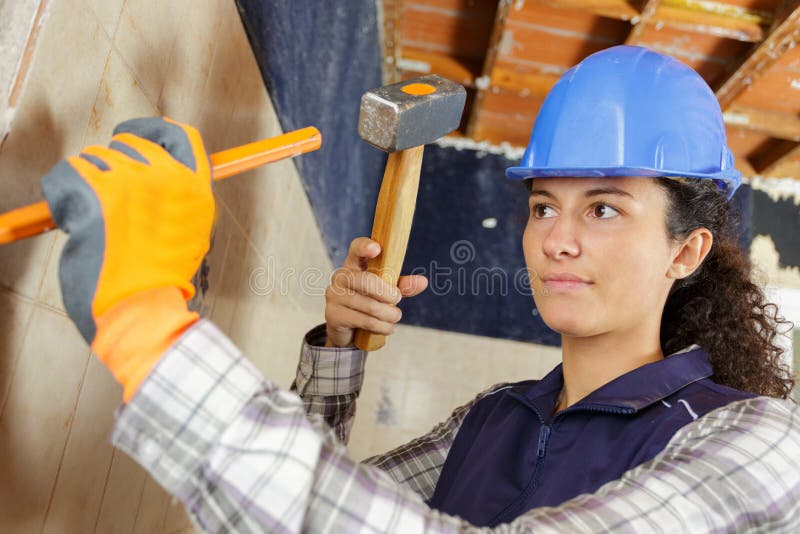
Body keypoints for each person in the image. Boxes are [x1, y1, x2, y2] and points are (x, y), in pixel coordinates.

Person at [38, 47, 799, 532]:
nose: (557, 238)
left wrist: (155, 335)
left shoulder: (758, 442)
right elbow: (315, 509)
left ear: (687, 248)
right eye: (543, 206)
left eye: (603, 207)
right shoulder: (495, 417)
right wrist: (339, 352)